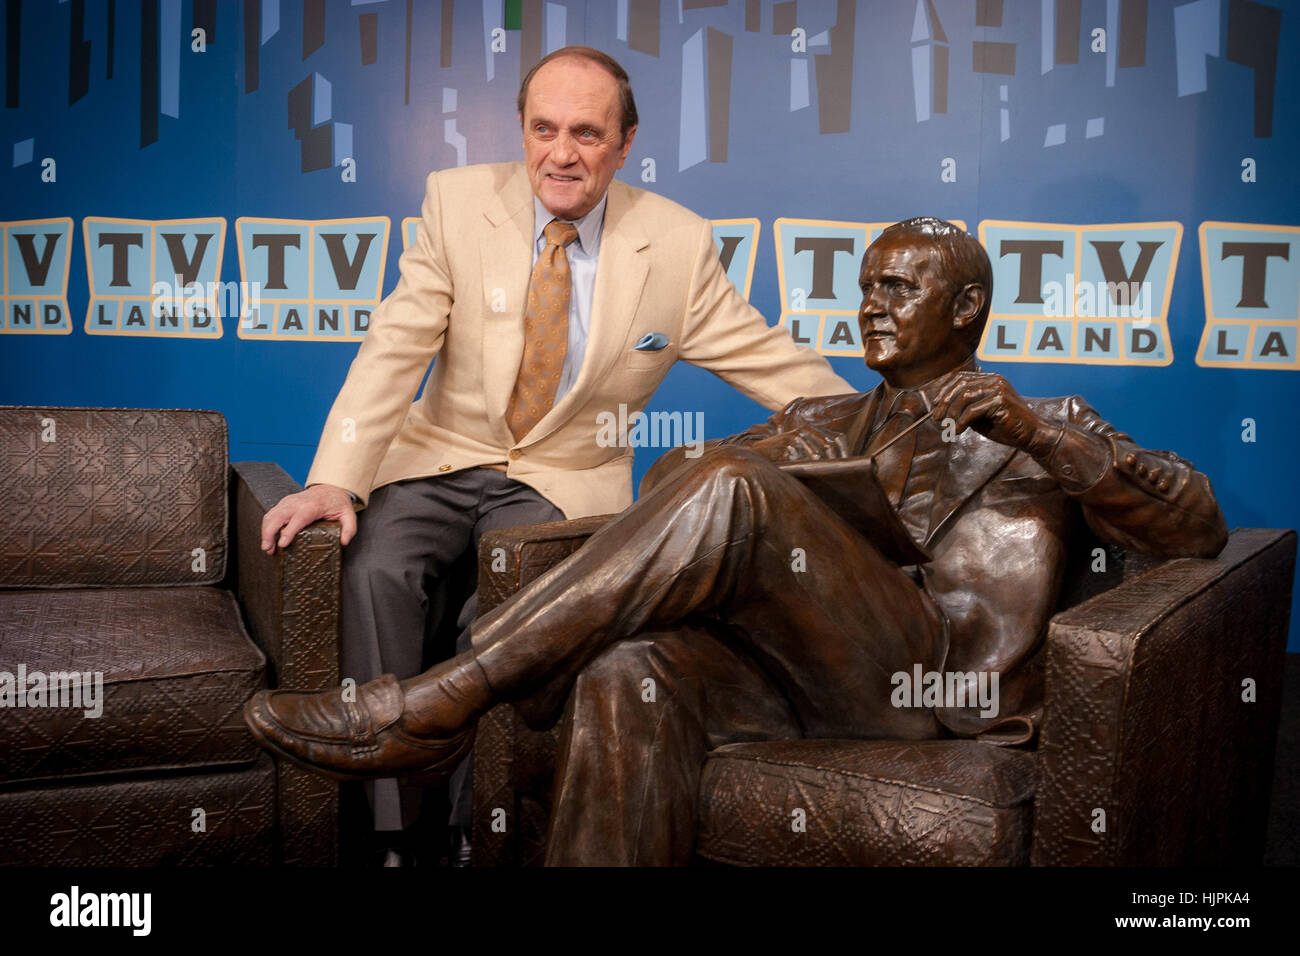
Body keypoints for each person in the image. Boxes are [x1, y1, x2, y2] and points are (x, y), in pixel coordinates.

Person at [246, 217, 1228, 865]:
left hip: (935, 692)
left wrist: (1038, 437)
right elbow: (674, 504)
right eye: (865, 285)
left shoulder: (1045, 419)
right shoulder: (815, 416)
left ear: (967, 307)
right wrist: (739, 471)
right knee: (626, 667)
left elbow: (1195, 526)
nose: (870, 303)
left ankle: (445, 695)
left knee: (733, 484)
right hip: (787, 683)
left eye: (899, 286)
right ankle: (504, 681)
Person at [257, 46, 852, 865]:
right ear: (522, 131)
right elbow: (395, 345)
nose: (560, 153)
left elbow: (774, 363)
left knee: (504, 614)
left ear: (625, 141)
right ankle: (394, 835)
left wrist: (884, 426)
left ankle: (474, 831)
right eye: (543, 129)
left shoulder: (675, 244)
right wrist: (335, 479)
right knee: (374, 573)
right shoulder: (458, 202)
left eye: (585, 132)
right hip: (442, 454)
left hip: (562, 477)